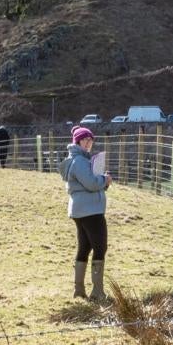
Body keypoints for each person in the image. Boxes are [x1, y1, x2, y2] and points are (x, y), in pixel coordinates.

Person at [63, 125, 110, 299]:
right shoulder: (80, 161)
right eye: (85, 139)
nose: (89, 143)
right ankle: (97, 292)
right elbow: (90, 183)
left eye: (91, 140)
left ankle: (79, 290)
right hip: (91, 211)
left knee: (85, 247)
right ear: (78, 141)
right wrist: (105, 180)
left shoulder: (77, 159)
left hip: (81, 210)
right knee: (100, 247)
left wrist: (102, 181)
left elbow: (89, 183)